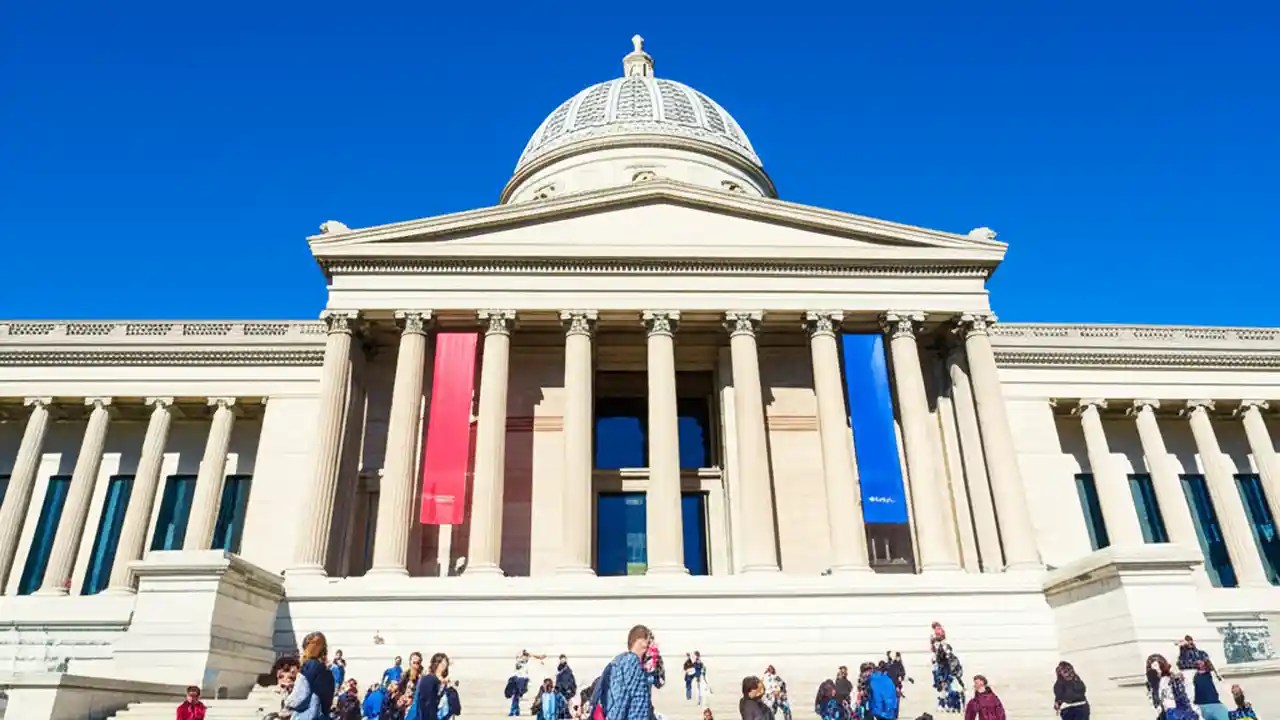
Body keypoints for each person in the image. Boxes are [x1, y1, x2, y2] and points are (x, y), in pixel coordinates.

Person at [601, 624, 659, 720]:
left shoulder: (627, 662)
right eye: (648, 641)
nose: (650, 645)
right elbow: (621, 699)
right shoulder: (631, 662)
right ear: (641, 641)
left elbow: (644, 702)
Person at [1146, 654, 1196, 720]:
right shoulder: (1152, 684)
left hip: (1176, 712)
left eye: (1156, 666)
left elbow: (1185, 698)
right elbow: (1155, 703)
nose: (1155, 669)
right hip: (1166, 714)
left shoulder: (1172, 679)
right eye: (1151, 667)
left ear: (1161, 665)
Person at [415, 652, 449, 720]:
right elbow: (427, 702)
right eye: (443, 663)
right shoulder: (429, 679)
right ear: (437, 664)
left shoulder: (440, 681)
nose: (445, 665)